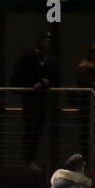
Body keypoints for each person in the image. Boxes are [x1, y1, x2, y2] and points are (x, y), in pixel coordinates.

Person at [11, 32, 59, 168]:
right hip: (30, 100)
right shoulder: (28, 58)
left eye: (48, 42)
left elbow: (57, 79)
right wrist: (31, 85)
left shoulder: (51, 60)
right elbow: (17, 77)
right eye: (44, 41)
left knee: (39, 131)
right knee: (30, 129)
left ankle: (34, 159)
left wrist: (48, 83)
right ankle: (27, 159)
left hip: (45, 101)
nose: (46, 44)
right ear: (38, 42)